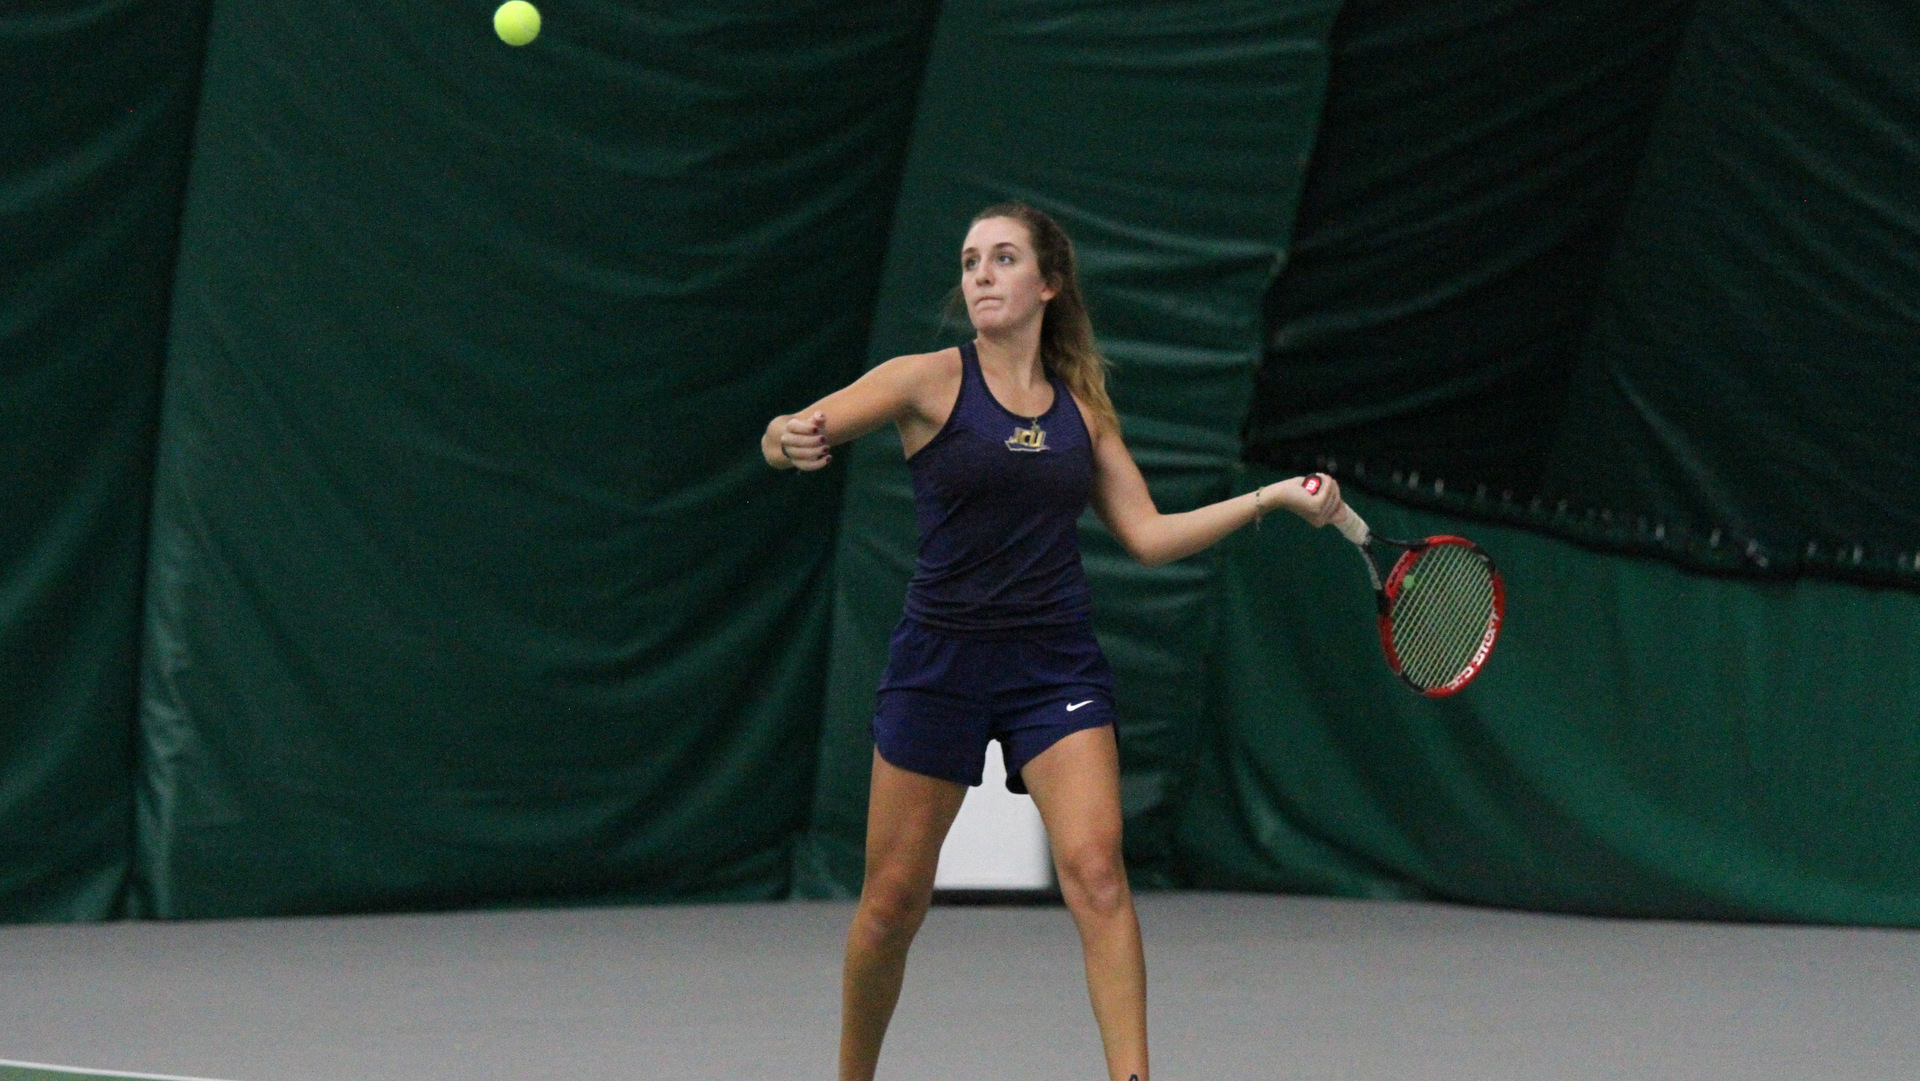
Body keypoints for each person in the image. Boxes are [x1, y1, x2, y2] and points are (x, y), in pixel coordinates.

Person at [760, 202, 1345, 1081]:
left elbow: (1147, 534)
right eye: (970, 261)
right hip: (940, 664)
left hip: (1054, 664)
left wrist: (1273, 497)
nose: (981, 275)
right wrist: (785, 439)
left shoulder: (1082, 412)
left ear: (1049, 283)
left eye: (1003, 258)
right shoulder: (923, 380)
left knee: (1099, 874)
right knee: (890, 905)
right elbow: (789, 432)